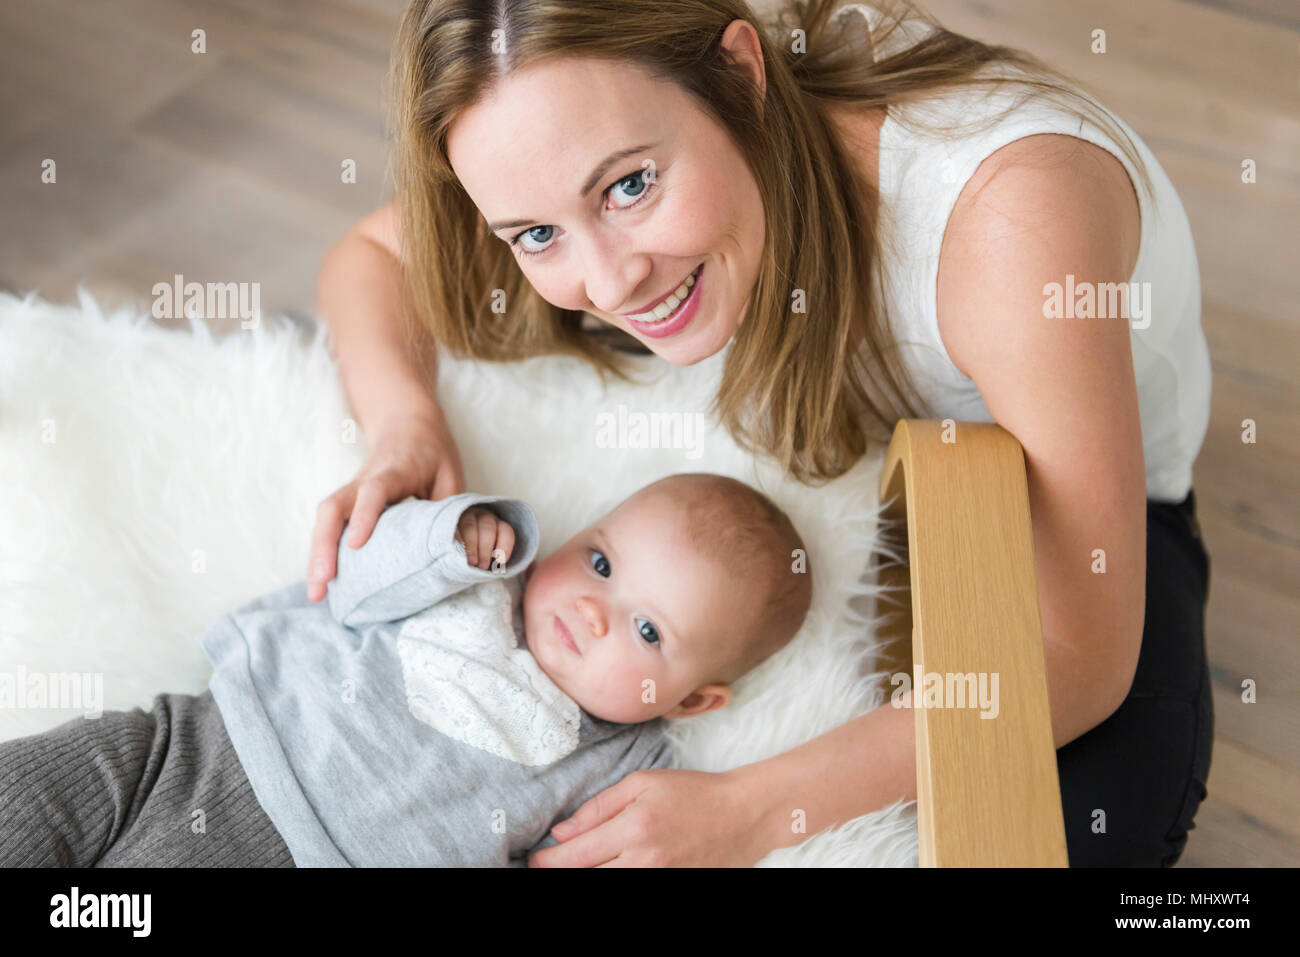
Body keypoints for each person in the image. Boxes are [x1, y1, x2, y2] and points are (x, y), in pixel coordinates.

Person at [308, 0, 1213, 867]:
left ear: (742, 76)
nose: (611, 285)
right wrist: (402, 421)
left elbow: (1079, 656)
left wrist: (749, 810)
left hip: (1091, 497)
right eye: (537, 234)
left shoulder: (1015, 215)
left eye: (630, 186)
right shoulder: (578, 159)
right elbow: (373, 256)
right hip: (895, 461)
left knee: (1086, 838)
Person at [0, 473, 812, 867]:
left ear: (695, 699)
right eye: (600, 560)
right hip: (192, 746)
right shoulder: (482, 570)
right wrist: (447, 539)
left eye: (644, 628)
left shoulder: (624, 764)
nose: (594, 609)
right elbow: (353, 584)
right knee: (33, 795)